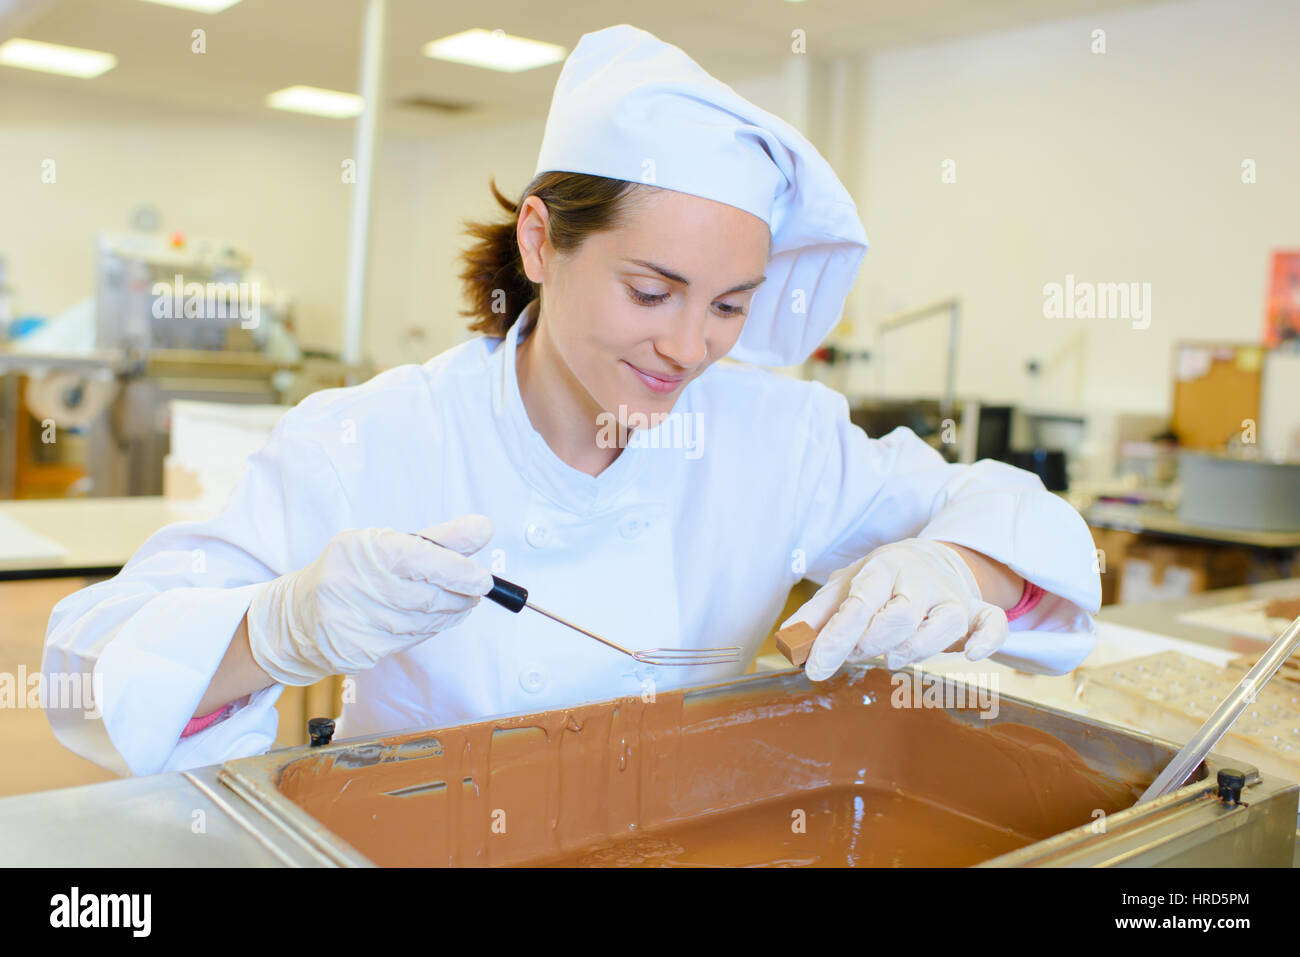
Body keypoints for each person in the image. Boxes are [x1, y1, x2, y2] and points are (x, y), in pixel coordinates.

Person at [43, 24, 1100, 777]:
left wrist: (950, 563)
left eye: (731, 306)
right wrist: (277, 630)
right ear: (541, 242)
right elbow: (84, 671)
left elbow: (1019, 520)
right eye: (652, 291)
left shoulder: (778, 434)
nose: (690, 347)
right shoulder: (374, 437)